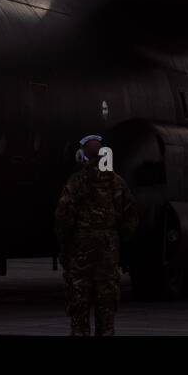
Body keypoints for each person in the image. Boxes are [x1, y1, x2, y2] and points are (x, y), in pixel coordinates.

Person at [54, 134, 138, 336]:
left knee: (79, 318)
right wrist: (115, 241)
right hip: (108, 259)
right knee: (106, 319)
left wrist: (67, 245)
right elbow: (131, 220)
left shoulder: (76, 183)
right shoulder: (117, 183)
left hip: (80, 259)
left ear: (82, 157)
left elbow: (62, 218)